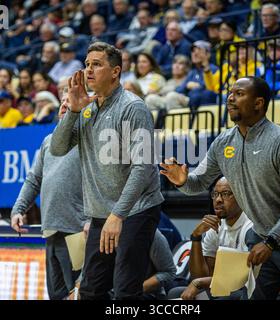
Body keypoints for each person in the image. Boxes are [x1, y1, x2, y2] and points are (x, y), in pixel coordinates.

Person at [160, 76, 280, 300]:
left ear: (258, 103)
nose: (230, 98)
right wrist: (181, 182)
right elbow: (197, 183)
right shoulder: (223, 142)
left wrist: (271, 241)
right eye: (230, 93)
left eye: (239, 94)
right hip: (261, 241)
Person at [49, 41, 164, 300]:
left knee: (125, 291)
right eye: (87, 64)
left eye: (97, 64)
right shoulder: (87, 110)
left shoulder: (133, 107)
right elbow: (57, 148)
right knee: (90, 290)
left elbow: (143, 166)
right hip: (103, 214)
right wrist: (73, 112)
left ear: (115, 71)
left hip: (136, 210)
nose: (89, 70)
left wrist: (118, 214)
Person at [11, 94, 89, 300]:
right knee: (56, 295)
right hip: (51, 230)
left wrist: (91, 220)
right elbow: (34, 178)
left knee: (78, 294)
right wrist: (19, 209)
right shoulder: (48, 140)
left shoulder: (88, 138)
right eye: (62, 101)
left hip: (77, 231)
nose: (64, 104)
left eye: (70, 100)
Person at [168, 176, 253, 300]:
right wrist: (196, 237)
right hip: (223, 287)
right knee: (175, 293)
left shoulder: (250, 226)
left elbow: (242, 280)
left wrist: (200, 283)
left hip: (246, 288)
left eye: (226, 194)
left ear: (241, 196)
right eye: (215, 194)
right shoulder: (215, 225)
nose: (218, 200)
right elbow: (200, 276)